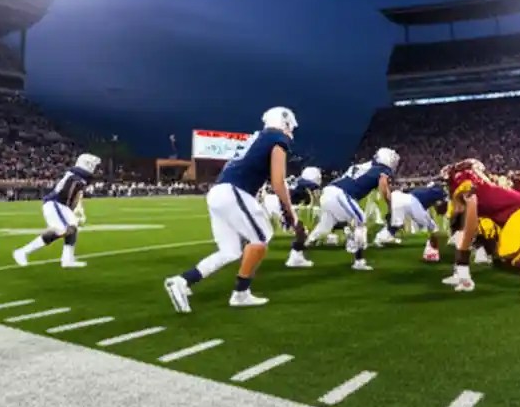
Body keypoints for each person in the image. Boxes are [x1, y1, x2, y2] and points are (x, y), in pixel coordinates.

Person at [163, 107, 300, 312]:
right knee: (261, 240)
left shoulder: (257, 138)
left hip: (219, 192)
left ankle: (182, 281)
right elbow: (278, 181)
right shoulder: (276, 138)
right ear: (285, 123)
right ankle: (241, 294)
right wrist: (290, 211)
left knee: (230, 251)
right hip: (234, 192)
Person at [440, 159, 520, 300]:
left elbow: (470, 226)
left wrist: (465, 245)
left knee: (510, 252)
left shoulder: (468, 189)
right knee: (506, 252)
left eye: (448, 182)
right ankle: (462, 275)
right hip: (515, 215)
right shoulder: (479, 187)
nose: (447, 187)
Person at [305, 148, 399, 271]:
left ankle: (299, 249)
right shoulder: (381, 169)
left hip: (329, 191)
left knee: (325, 226)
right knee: (360, 220)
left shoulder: (365, 166)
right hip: (340, 194)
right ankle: (359, 261)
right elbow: (383, 187)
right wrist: (391, 205)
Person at [12, 153, 101, 268]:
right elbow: (67, 196)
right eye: (93, 165)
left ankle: (67, 260)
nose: (95, 169)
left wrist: (77, 210)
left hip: (61, 205)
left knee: (72, 229)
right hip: (55, 204)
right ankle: (22, 252)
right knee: (62, 230)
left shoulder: (78, 177)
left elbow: (75, 196)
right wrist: (75, 210)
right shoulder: (76, 177)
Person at [376, 183, 447, 262]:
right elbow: (441, 207)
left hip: (398, 198)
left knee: (395, 224)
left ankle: (380, 238)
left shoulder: (423, 190)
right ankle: (431, 254)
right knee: (433, 227)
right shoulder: (438, 192)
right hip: (412, 202)